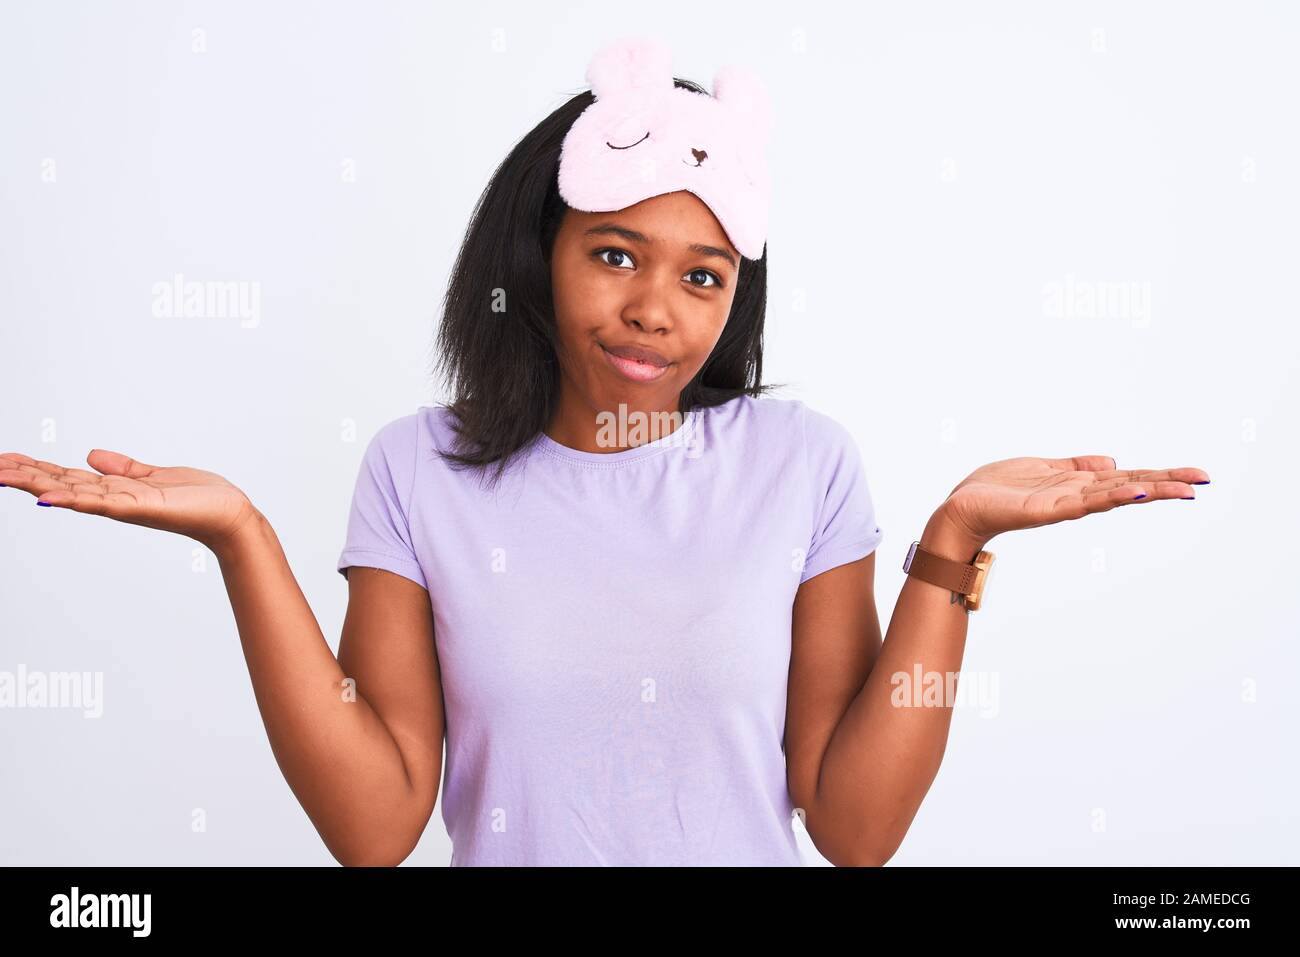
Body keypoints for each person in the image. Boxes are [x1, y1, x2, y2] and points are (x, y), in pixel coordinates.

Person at [0, 37, 1210, 867]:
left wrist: (954, 548)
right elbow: (375, 826)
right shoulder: (420, 471)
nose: (656, 310)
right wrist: (242, 543)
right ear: (536, 257)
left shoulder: (802, 464)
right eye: (615, 254)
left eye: (702, 278)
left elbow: (853, 827)